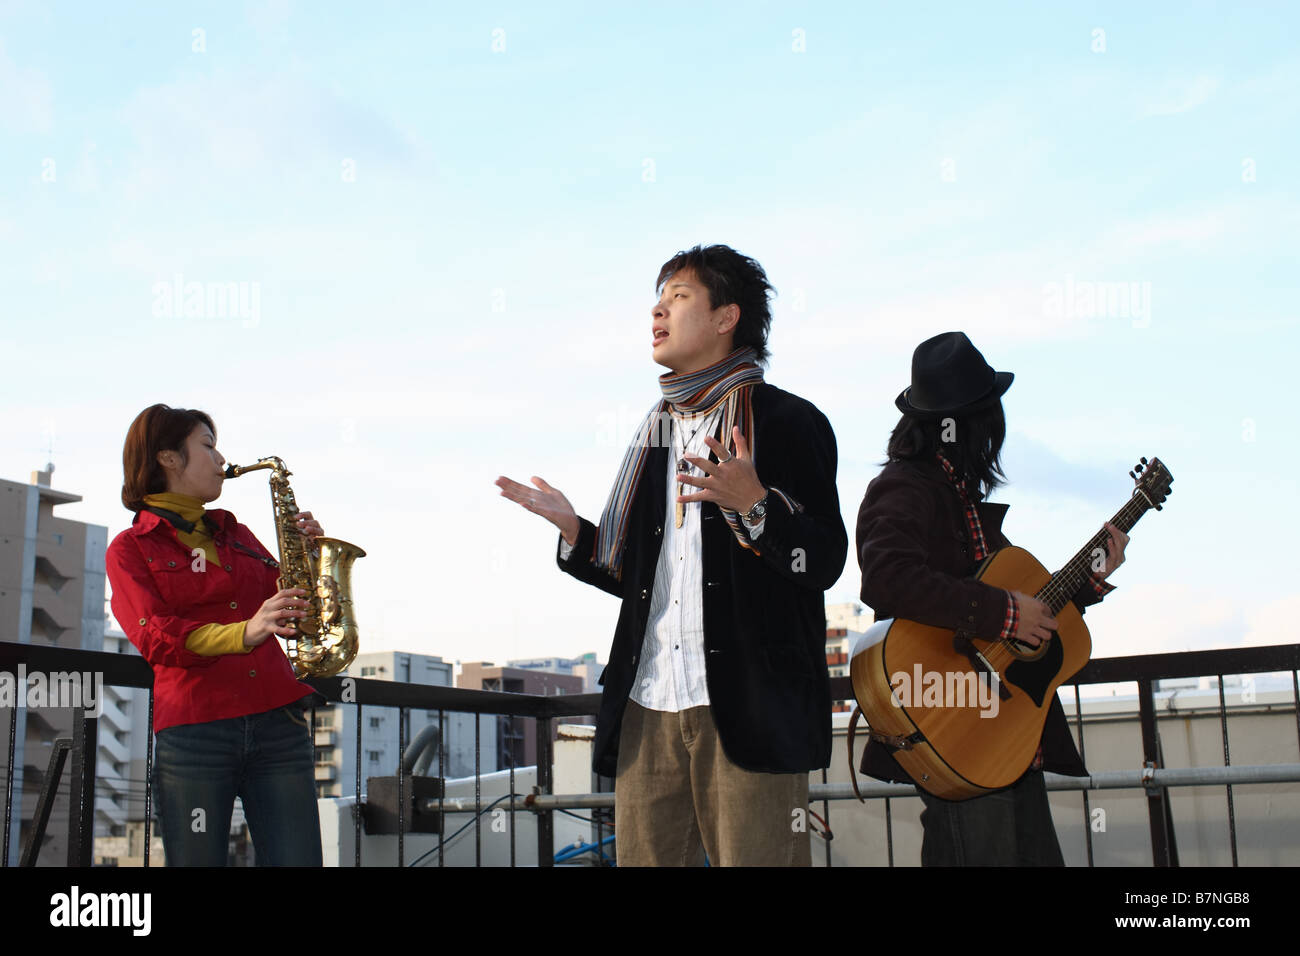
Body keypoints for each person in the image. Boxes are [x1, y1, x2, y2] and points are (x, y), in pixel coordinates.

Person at [497, 244, 847, 866]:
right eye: (657, 300)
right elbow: (641, 578)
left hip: (748, 705)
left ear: (726, 317)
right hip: (648, 702)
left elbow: (822, 562)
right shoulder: (655, 433)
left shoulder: (789, 421)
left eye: (678, 297)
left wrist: (757, 505)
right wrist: (577, 531)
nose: (657, 311)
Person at [855, 331, 1129, 866]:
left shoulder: (958, 497)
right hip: (955, 721)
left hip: (1002, 732)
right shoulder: (906, 487)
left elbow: (1027, 613)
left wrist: (1087, 584)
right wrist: (1004, 613)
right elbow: (887, 578)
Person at [106, 404, 323, 866]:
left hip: (278, 722)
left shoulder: (236, 532)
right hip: (196, 729)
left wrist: (313, 557)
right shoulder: (130, 549)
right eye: (207, 445)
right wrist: (245, 631)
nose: (221, 458)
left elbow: (299, 619)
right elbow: (156, 637)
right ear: (168, 458)